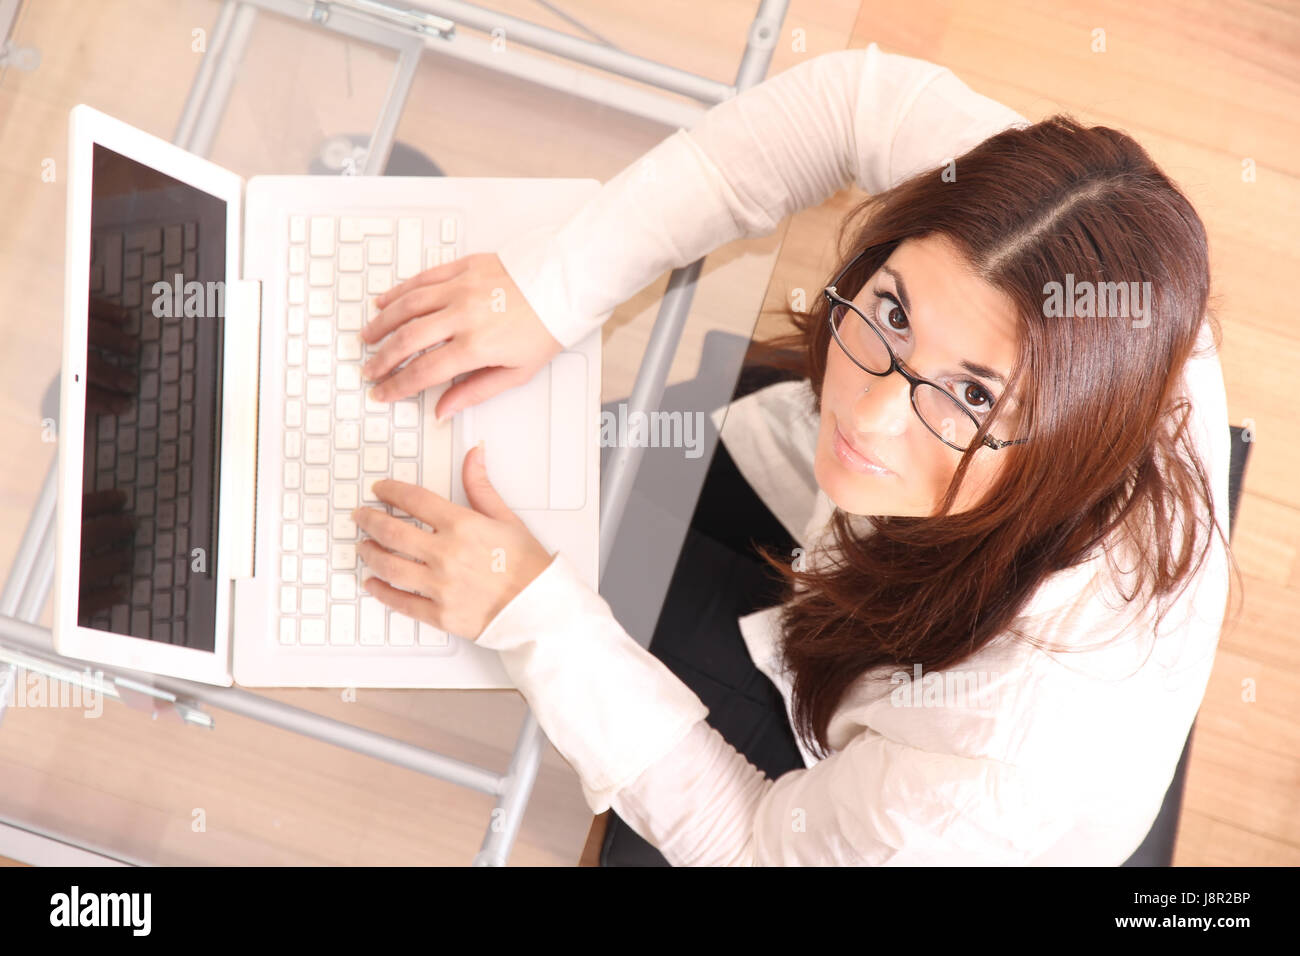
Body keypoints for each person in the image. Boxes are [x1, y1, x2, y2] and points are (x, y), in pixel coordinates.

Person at [348, 43, 1239, 865]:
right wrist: (557, 284)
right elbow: (849, 104)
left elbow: (755, 845)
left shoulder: (990, 765)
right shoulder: (1062, 244)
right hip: (871, 544)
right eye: (895, 311)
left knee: (519, 557)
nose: (869, 417)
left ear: (1071, 448)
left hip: (858, 766)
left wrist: (533, 617)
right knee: (534, 457)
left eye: (974, 396)